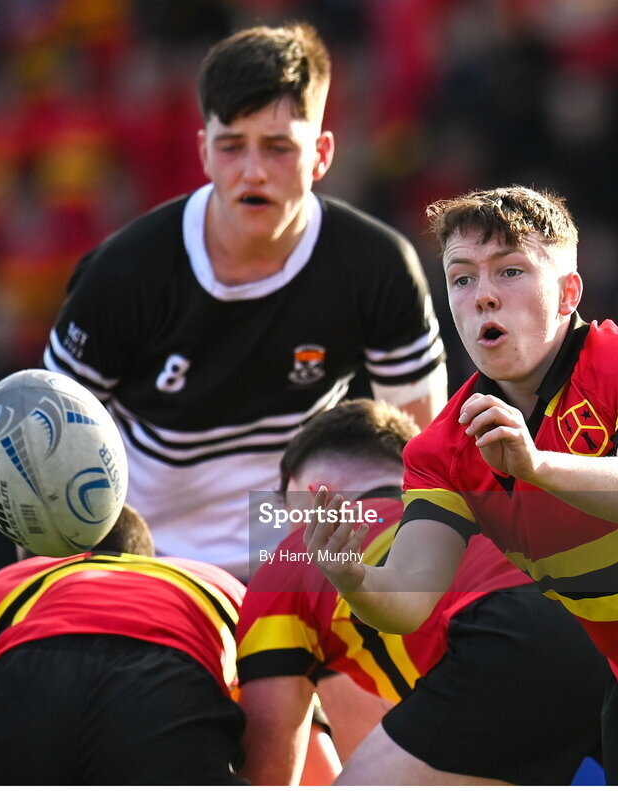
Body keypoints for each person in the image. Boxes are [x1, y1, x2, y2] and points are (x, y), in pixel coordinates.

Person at [304, 185, 618, 785]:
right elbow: (408, 600)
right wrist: (354, 577)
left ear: (569, 291)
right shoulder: (441, 452)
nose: (483, 295)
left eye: (510, 271)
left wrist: (535, 465)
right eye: (461, 279)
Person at [43, 23, 446, 580]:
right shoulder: (125, 273)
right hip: (146, 548)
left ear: (321, 154)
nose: (253, 171)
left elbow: (425, 462)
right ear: (204, 151)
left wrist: (416, 602)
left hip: (299, 547)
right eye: (232, 146)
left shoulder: (378, 269)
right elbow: (46, 462)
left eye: (278, 148)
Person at [237, 398, 607, 785]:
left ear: (314, 498)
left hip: (516, 634)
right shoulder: (471, 512)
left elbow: (269, 768)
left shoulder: (296, 555)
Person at [0, 504, 247, 785]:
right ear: (144, 556)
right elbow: (274, 718)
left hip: (27, 695)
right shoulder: (215, 584)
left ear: (36, 562)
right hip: (166, 691)